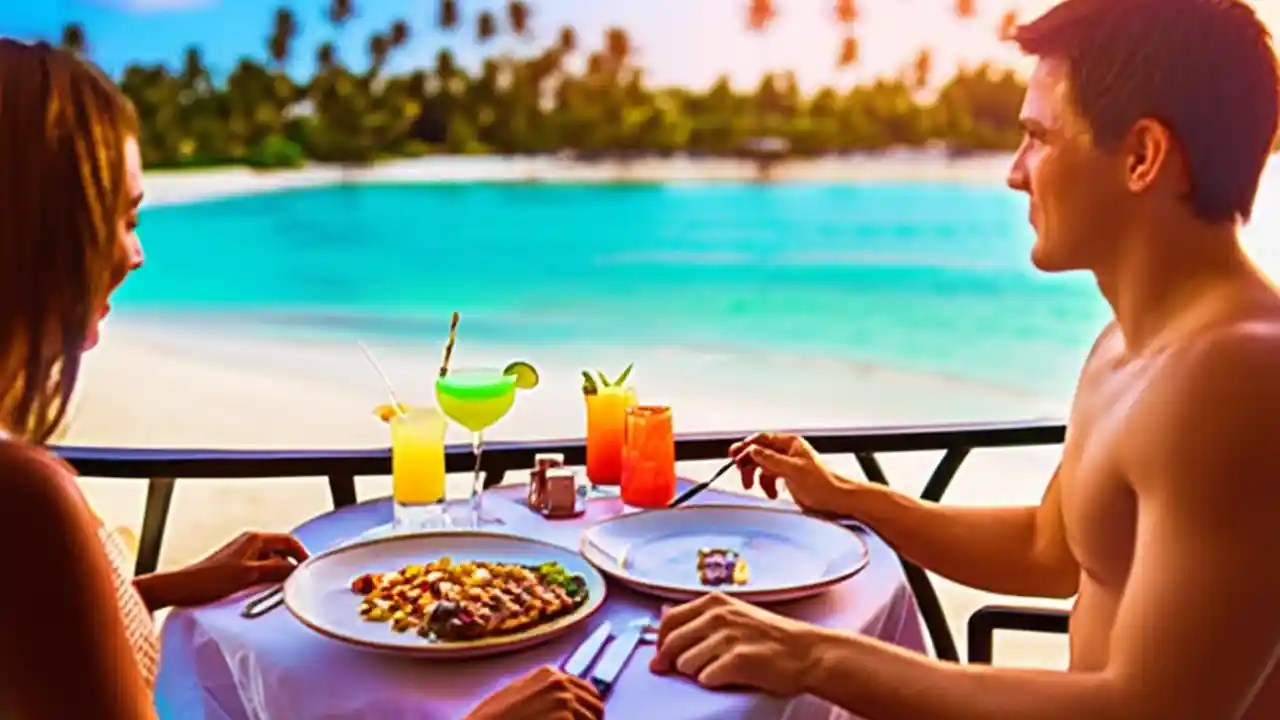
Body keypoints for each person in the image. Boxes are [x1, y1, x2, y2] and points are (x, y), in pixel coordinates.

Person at [652, 0, 1280, 718]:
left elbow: (1157, 710)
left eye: (1039, 138)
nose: (1016, 173)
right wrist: (850, 498)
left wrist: (818, 657)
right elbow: (1048, 551)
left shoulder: (1236, 376)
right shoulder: (1130, 346)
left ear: (1141, 156)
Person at [0, 40, 601, 720]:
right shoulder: (27, 496)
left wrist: (168, 586)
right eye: (124, 218)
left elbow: (38, 646)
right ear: (42, 227)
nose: (136, 256)